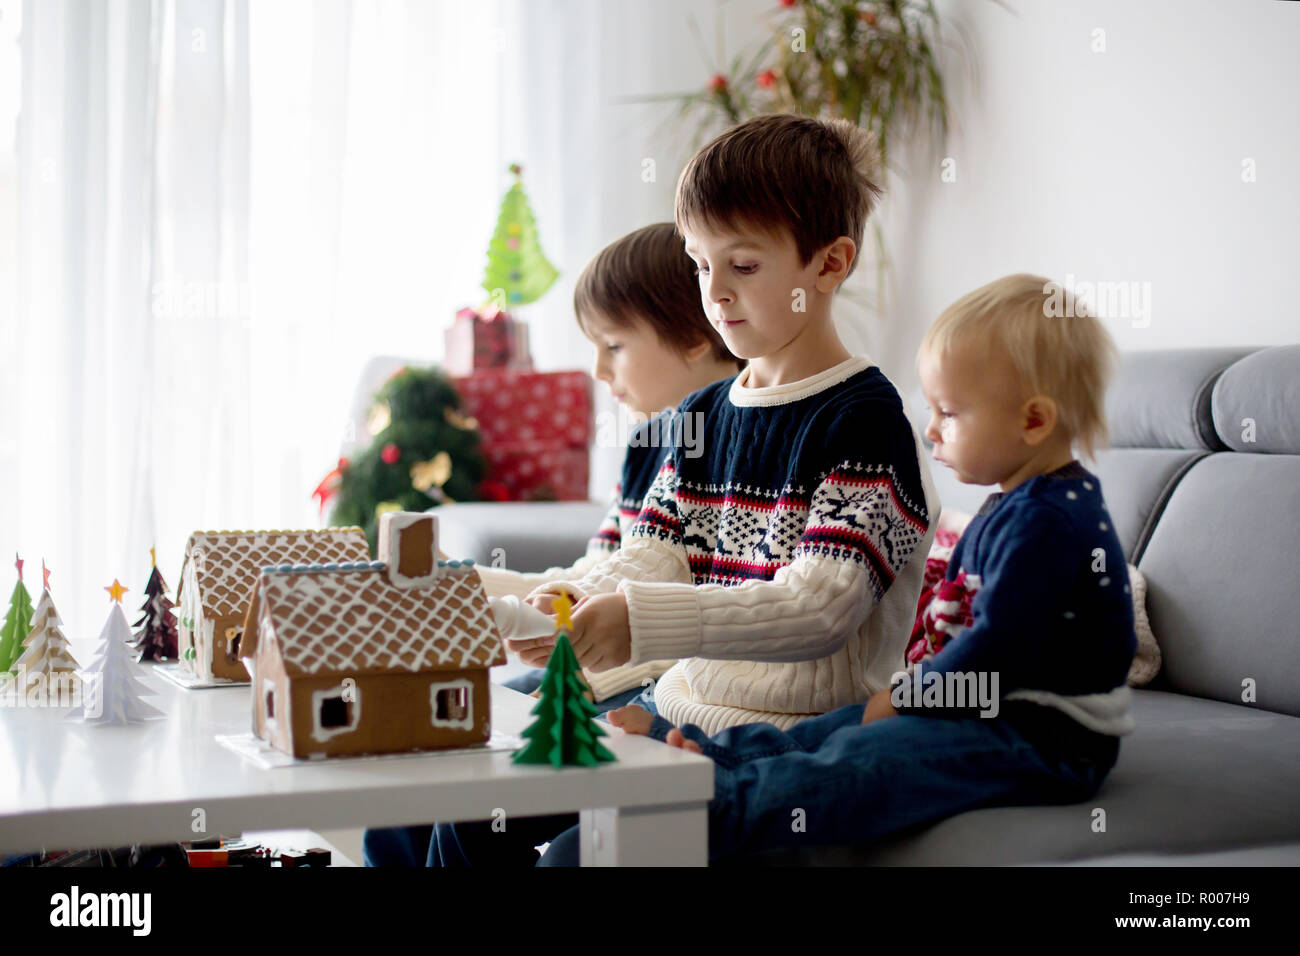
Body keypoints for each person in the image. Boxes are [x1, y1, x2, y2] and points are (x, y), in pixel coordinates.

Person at [433, 112, 939, 866]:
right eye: (701, 266)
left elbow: (819, 608)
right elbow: (649, 556)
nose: (715, 293)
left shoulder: (863, 423)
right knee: (469, 808)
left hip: (789, 734)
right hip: (672, 707)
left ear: (830, 265)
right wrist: (567, 603)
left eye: (743, 266)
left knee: (576, 856)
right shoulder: (702, 416)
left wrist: (638, 623)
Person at [603, 273, 1138, 865]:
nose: (931, 429)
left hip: (1038, 734)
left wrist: (909, 698)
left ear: (1033, 421)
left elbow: (995, 651)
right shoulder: (1015, 502)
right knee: (828, 729)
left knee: (857, 764)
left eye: (950, 413)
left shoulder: (1049, 524)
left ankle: (721, 801)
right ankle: (708, 756)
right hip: (980, 707)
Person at [361, 221, 741, 866]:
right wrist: (468, 586)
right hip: (602, 665)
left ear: (697, 336)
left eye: (615, 346)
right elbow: (602, 567)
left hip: (646, 681)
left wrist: (560, 640)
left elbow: (680, 617)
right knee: (410, 782)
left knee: (475, 786)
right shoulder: (651, 444)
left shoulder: (733, 448)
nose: (597, 370)